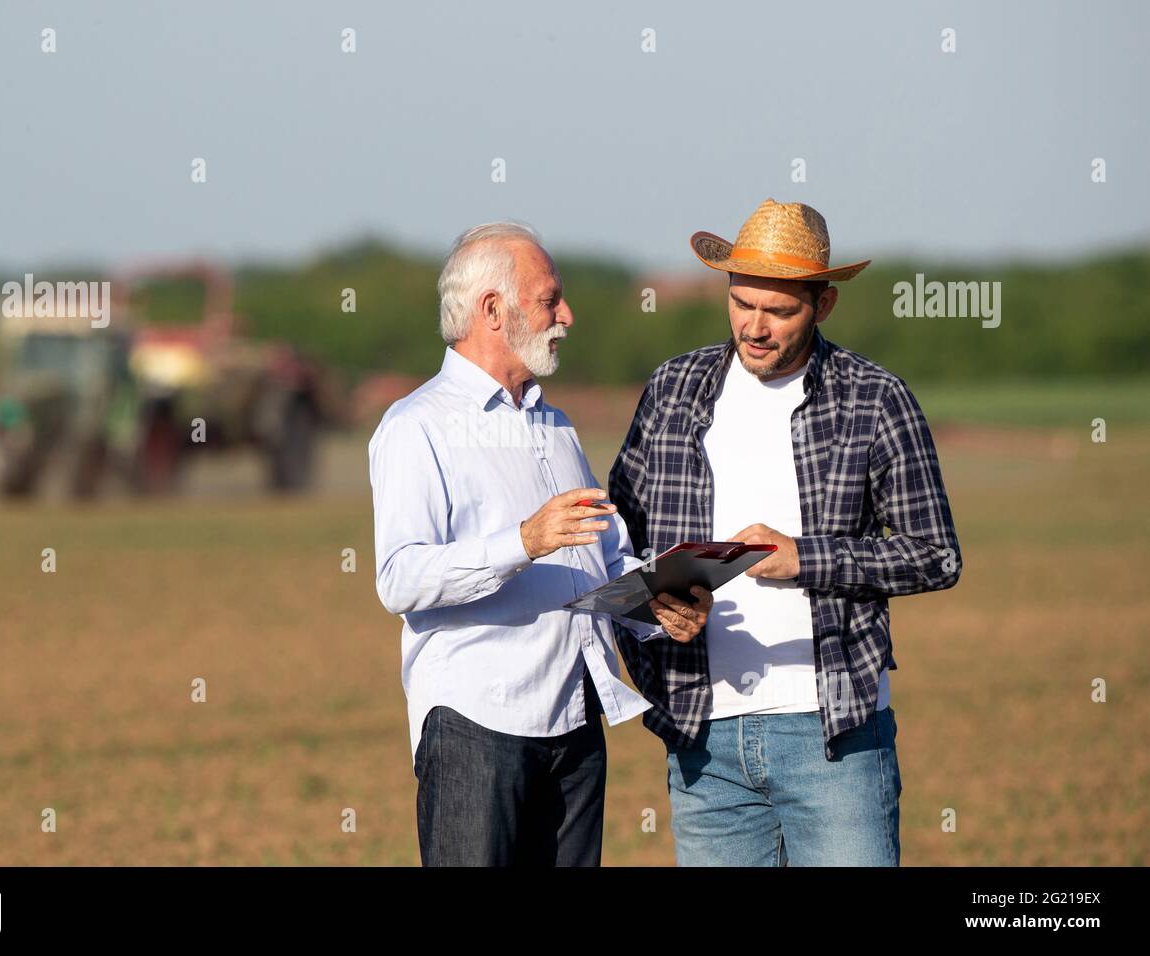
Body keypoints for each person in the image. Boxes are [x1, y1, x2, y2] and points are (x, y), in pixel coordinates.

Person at [609, 198, 962, 866]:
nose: (755, 327)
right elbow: (619, 540)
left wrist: (805, 559)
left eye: (779, 310)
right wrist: (653, 605)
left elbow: (935, 554)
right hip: (700, 738)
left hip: (833, 738)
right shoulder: (673, 389)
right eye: (742, 303)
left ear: (823, 305)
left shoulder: (876, 396)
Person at [369, 221, 712, 866]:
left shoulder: (556, 426)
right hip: (477, 725)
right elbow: (399, 577)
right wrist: (522, 541)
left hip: (576, 720)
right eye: (550, 299)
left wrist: (661, 602)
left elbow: (602, 564)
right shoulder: (416, 426)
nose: (567, 315)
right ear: (493, 310)